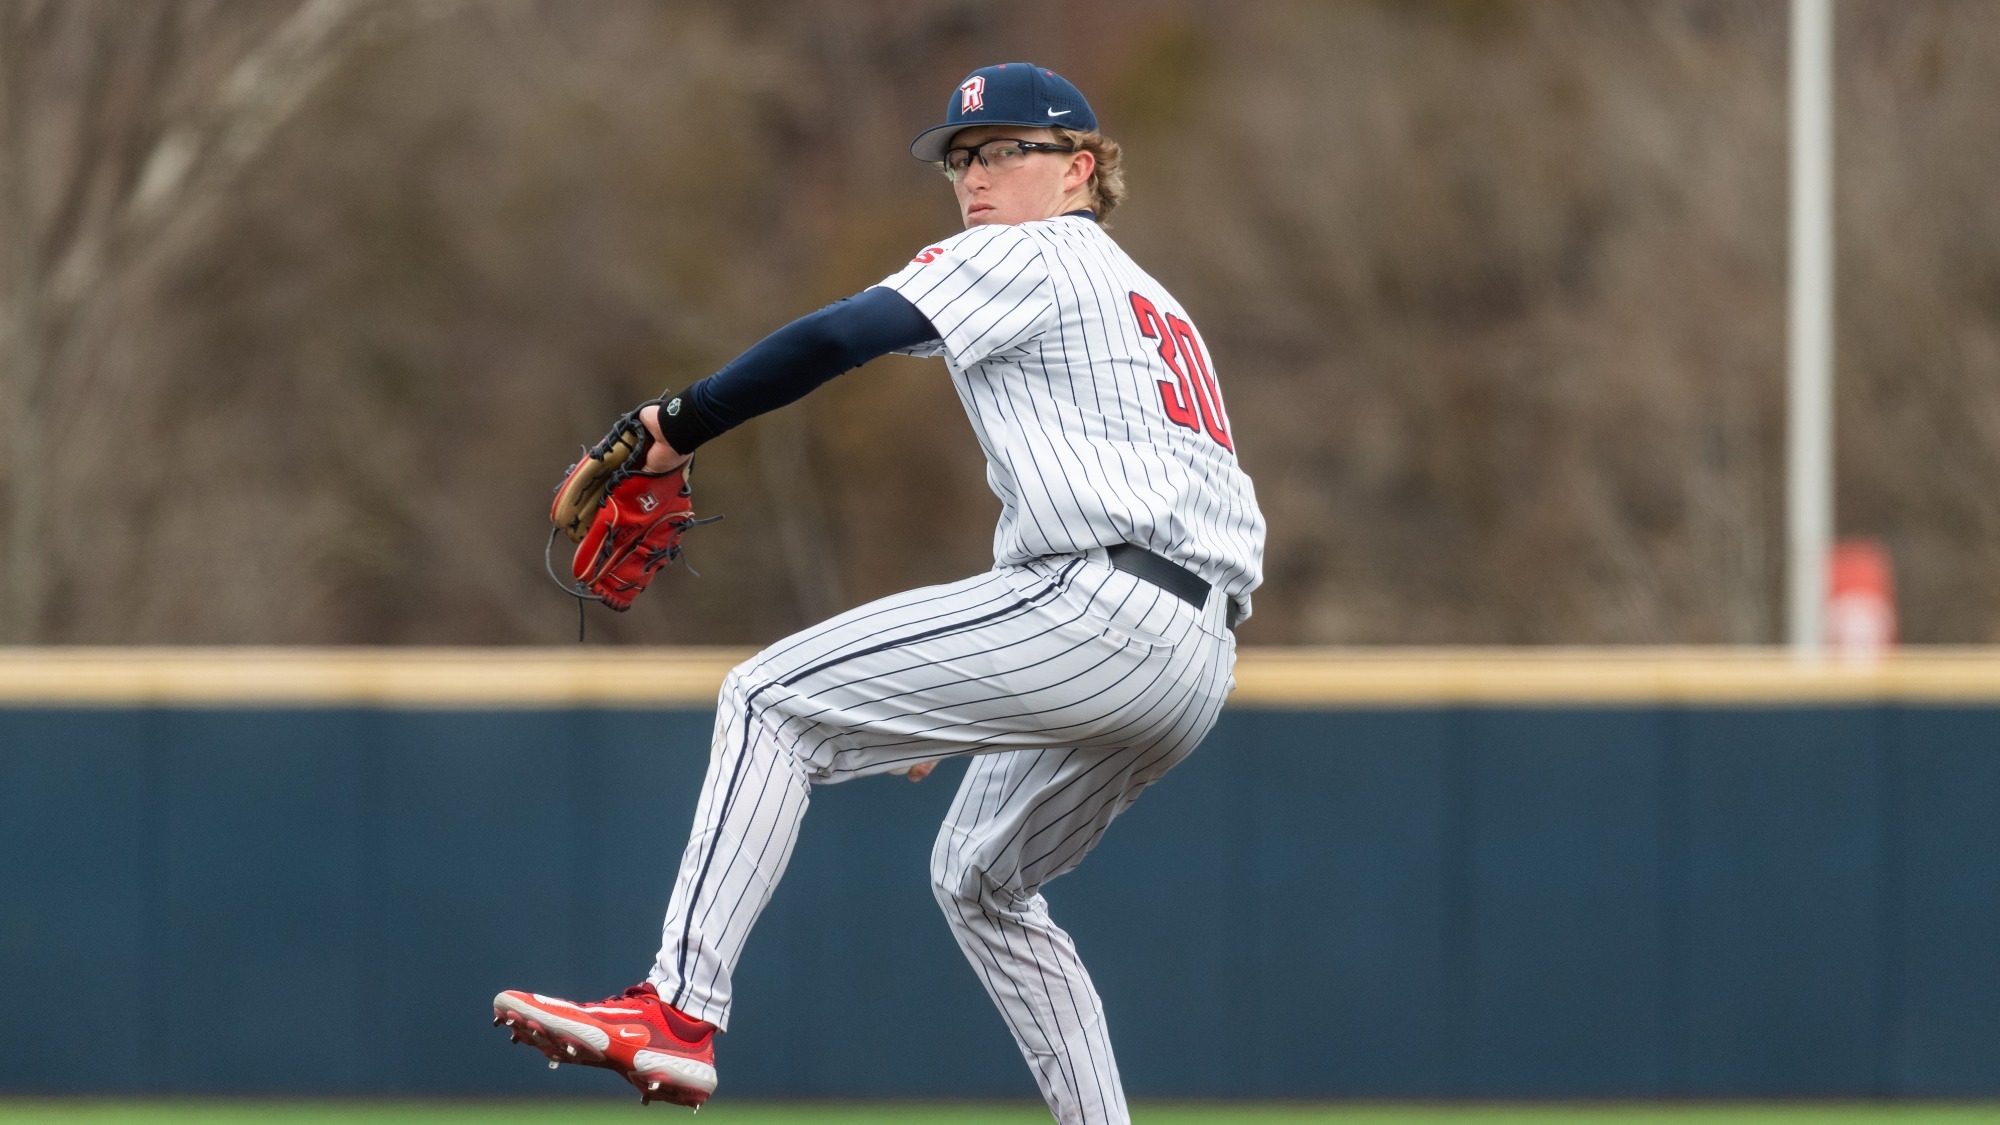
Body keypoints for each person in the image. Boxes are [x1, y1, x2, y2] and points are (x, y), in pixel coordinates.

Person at [494, 62, 1265, 1124]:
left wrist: (674, 426)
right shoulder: (1149, 302)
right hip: (1191, 658)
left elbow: (836, 337)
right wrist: (954, 702)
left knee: (769, 701)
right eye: (958, 158)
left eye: (1002, 151)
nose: (973, 176)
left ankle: (675, 1013)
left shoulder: (1029, 251)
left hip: (1100, 608)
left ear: (1079, 169)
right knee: (979, 883)